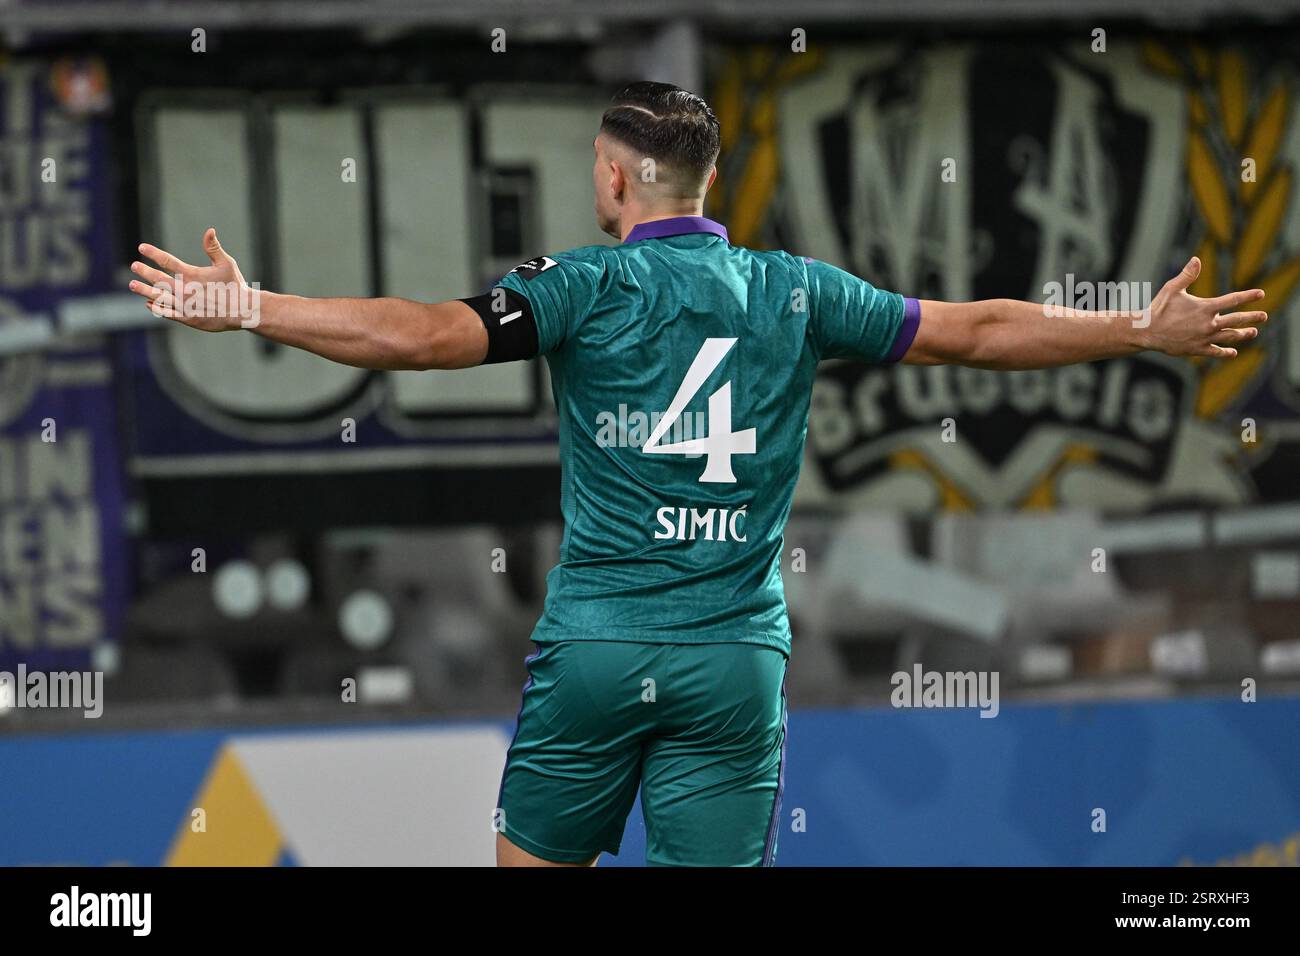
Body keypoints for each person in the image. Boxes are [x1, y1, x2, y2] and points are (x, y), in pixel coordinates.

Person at [127, 81, 1267, 867]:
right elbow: (979, 329)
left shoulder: (577, 284)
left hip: (597, 648)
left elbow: (417, 335)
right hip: (733, 660)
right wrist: (1134, 328)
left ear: (620, 182)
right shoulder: (796, 289)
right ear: (707, 185)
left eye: (598, 173)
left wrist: (255, 304)